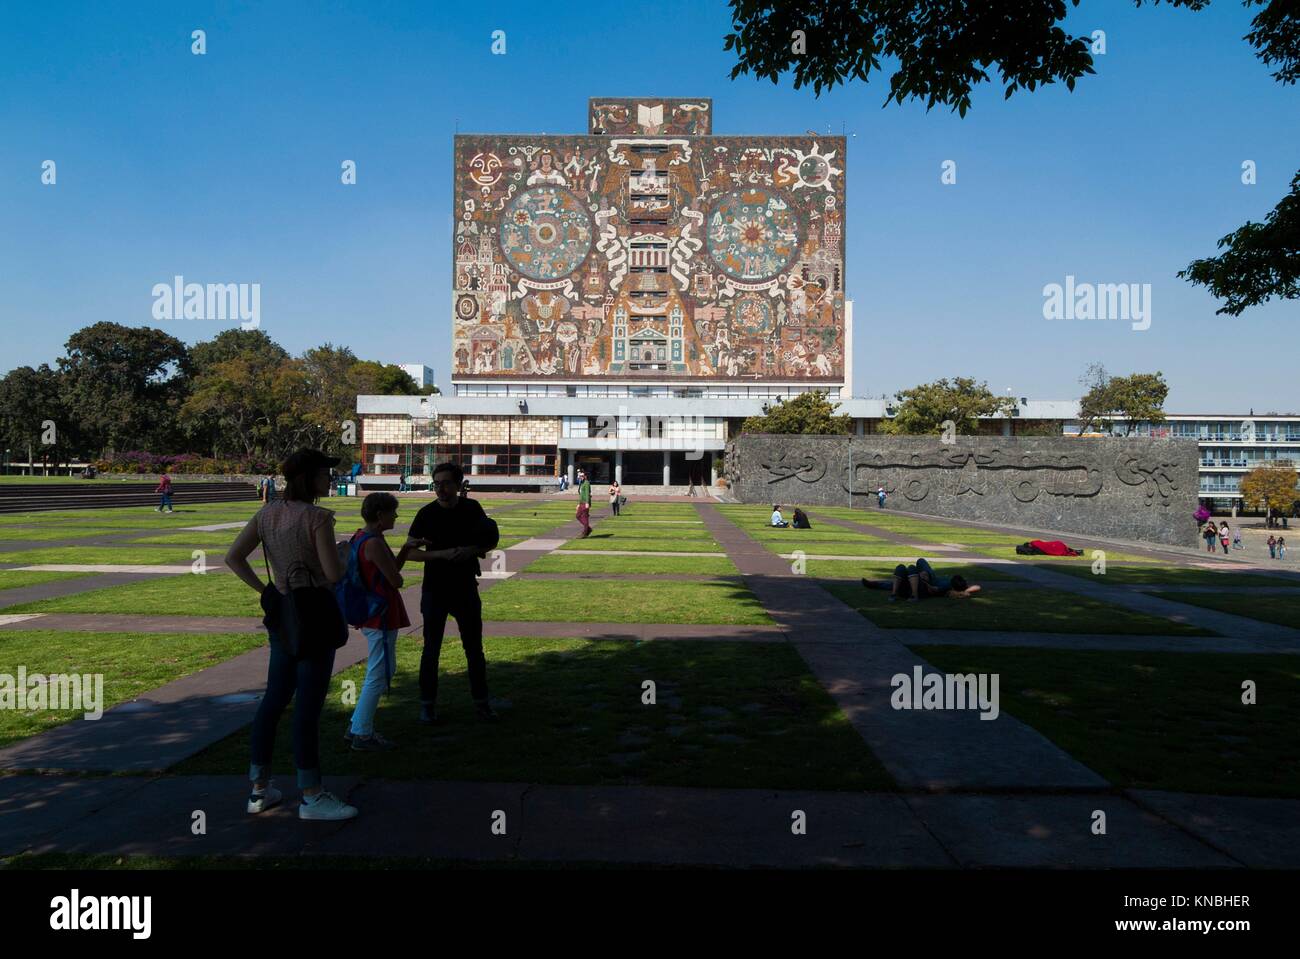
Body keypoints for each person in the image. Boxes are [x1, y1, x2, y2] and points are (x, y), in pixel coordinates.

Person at [225, 448, 358, 821]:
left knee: (274, 700)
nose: (330, 479)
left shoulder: (266, 514)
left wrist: (265, 591)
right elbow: (333, 575)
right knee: (307, 706)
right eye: (325, 474)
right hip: (314, 615)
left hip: (282, 615)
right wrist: (345, 555)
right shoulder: (317, 517)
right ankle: (312, 795)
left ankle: (259, 788)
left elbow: (234, 557)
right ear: (310, 478)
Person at [404, 462, 501, 725]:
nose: (441, 488)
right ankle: (427, 705)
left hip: (465, 587)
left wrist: (473, 549)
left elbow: (490, 538)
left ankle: (481, 703)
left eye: (446, 483)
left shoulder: (472, 509)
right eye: (437, 483)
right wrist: (441, 555)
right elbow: (409, 552)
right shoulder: (426, 514)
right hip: (435, 590)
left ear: (459, 485)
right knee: (431, 650)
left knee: (474, 649)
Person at [344, 492, 415, 751]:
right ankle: (362, 732)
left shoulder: (362, 537)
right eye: (392, 512)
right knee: (379, 672)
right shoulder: (373, 542)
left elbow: (390, 570)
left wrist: (406, 549)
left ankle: (357, 725)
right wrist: (397, 573)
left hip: (375, 612)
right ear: (379, 515)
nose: (396, 516)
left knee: (383, 669)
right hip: (380, 613)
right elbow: (395, 579)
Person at [861, 558, 982, 602]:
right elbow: (977, 587)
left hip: (924, 586)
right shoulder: (949, 584)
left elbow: (933, 589)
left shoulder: (946, 585)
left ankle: (911, 594)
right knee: (907, 569)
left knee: (913, 567)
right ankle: (886, 589)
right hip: (921, 582)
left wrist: (925, 580)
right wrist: (966, 589)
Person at [576, 469, 592, 537]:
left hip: (585, 503)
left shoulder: (586, 483)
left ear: (585, 476)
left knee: (585, 517)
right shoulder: (582, 483)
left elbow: (587, 493)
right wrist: (579, 504)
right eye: (580, 476)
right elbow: (581, 495)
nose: (581, 477)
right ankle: (588, 528)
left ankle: (585, 532)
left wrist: (587, 502)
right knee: (578, 516)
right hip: (581, 502)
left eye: (582, 476)